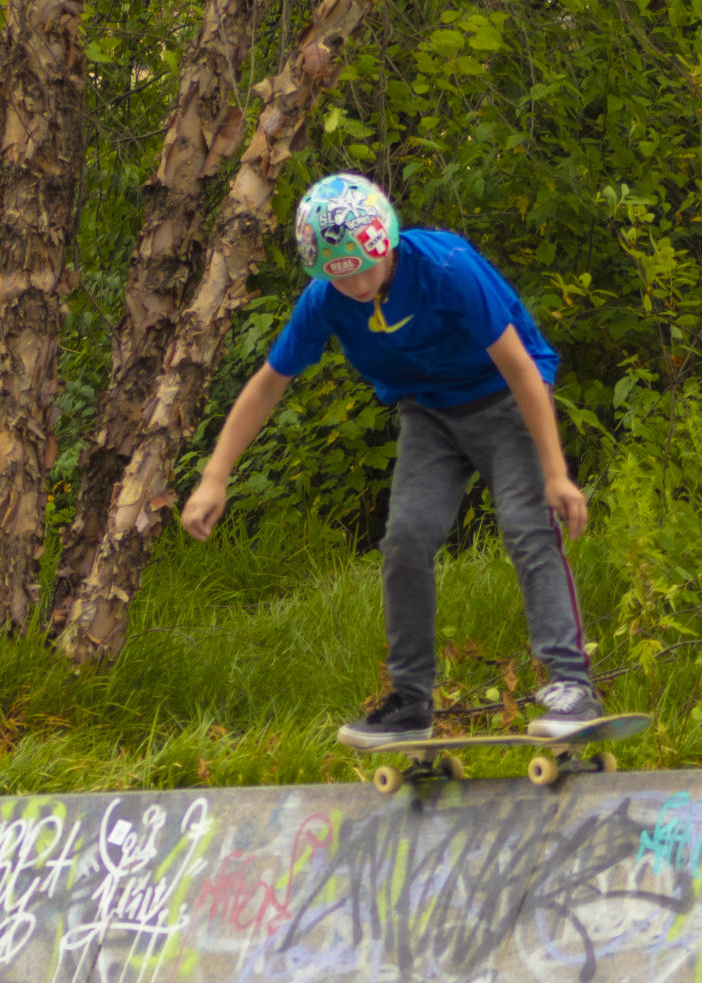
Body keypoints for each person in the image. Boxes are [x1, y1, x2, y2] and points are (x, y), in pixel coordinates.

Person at [181, 172, 604, 748]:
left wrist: (555, 473)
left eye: (361, 268)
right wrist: (214, 476)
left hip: (506, 401)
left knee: (527, 526)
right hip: (428, 414)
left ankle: (572, 685)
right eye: (338, 274)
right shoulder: (326, 301)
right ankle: (410, 702)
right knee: (405, 536)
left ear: (386, 244)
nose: (354, 285)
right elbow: (267, 384)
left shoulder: (447, 269)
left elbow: (521, 368)